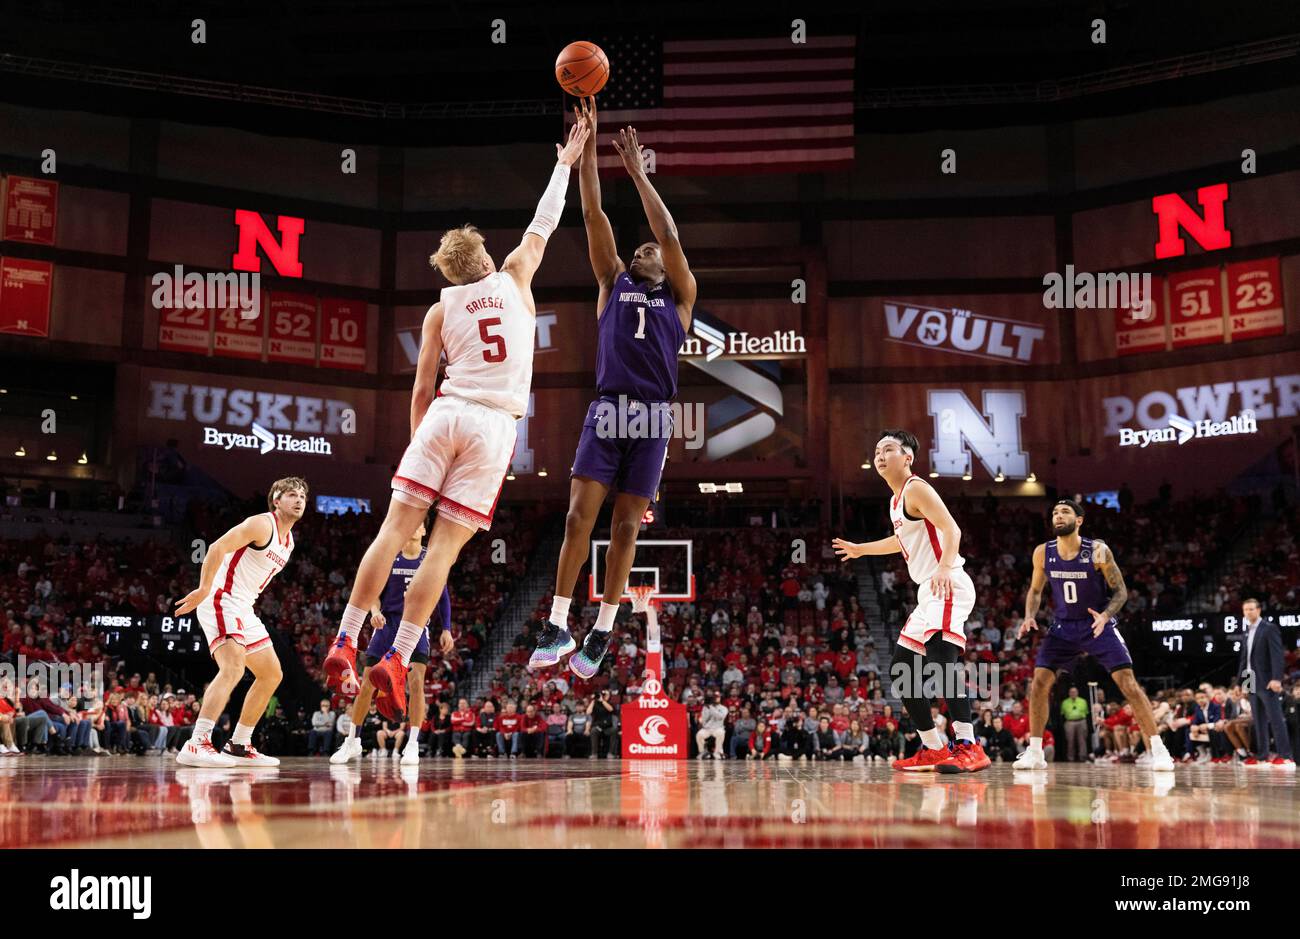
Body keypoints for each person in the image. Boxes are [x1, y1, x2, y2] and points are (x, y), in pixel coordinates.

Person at [323, 117, 591, 721]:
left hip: (444, 414)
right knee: (440, 552)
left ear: (447, 273)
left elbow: (420, 389)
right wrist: (566, 162)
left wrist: (422, 441)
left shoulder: (440, 309)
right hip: (493, 426)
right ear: (488, 257)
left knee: (393, 535)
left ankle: (344, 638)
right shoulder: (516, 275)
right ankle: (393, 657)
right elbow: (544, 222)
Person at [529, 96, 697, 679]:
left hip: (652, 419)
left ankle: (601, 631)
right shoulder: (611, 279)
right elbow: (593, 215)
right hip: (608, 410)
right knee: (579, 518)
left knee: (626, 526)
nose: (646, 248)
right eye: (641, 248)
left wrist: (639, 173)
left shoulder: (679, 300)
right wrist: (588, 149)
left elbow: (669, 233)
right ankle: (556, 624)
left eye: (651, 250)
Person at [833, 429, 989, 774]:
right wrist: (862, 549)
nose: (879, 454)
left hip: (947, 582)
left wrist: (946, 567)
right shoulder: (896, 500)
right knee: (902, 672)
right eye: (876, 450)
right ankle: (934, 748)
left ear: (907, 458)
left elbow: (953, 530)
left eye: (888, 449)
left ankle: (968, 744)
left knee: (940, 664)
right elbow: (900, 540)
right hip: (928, 592)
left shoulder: (917, 487)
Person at [1014, 500, 1174, 772]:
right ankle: (1035, 752)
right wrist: (1029, 615)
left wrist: (1106, 615)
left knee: (1128, 684)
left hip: (1097, 624)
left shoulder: (1098, 551)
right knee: (1039, 682)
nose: (1058, 516)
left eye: (1065, 512)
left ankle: (1159, 750)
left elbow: (1121, 591)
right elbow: (1036, 590)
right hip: (1063, 627)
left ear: (1079, 521)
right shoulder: (1043, 553)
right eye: (1054, 512)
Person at [173, 476, 306, 766]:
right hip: (221, 598)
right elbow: (216, 548)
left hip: (244, 608)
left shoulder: (289, 541)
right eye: (292, 495)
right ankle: (197, 742)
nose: (299, 500)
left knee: (272, 674)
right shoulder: (261, 524)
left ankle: (239, 744)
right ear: (276, 500)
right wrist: (205, 588)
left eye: (303, 497)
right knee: (232, 668)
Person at [331, 520, 449, 767]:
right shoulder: (390, 556)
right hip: (387, 626)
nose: (413, 526)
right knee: (367, 685)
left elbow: (443, 595)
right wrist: (374, 610)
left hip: (416, 626)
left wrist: (446, 628)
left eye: (418, 525)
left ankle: (413, 744)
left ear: (424, 530)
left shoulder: (430, 559)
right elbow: (373, 589)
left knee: (416, 682)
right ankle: (353, 740)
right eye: (411, 523)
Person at [1238, 598, 1295, 768]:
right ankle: (1263, 756)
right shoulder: (1247, 631)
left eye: (1251, 609)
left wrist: (1277, 678)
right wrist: (1241, 683)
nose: (1248, 612)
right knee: (1258, 720)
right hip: (1251, 679)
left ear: (1259, 610)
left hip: (1267, 681)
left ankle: (1286, 756)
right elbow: (1245, 660)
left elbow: (1277, 655)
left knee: (1275, 718)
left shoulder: (1269, 629)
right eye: (1245, 610)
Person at [1060, 686, 1089, 762]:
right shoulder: (1065, 702)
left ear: (1077, 693)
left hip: (1081, 721)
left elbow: (1086, 712)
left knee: (1082, 740)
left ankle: (1083, 757)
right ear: (1069, 693)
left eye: (1074, 692)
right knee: (1070, 741)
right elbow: (1062, 713)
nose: (1073, 693)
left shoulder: (1083, 701)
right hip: (1070, 722)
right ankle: (1070, 758)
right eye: (1071, 692)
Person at [696, 691, 728, 759]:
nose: (716, 699)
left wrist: (711, 707)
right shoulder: (706, 707)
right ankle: (703, 752)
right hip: (707, 728)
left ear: (720, 698)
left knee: (721, 733)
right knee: (699, 735)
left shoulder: (724, 708)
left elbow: (720, 717)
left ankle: (717, 752)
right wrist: (707, 707)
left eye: (718, 697)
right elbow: (704, 719)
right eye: (715, 697)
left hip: (718, 728)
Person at [589, 688, 616, 758]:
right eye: (603, 695)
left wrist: (603, 701)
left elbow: (611, 709)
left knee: (614, 730)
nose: (604, 696)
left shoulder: (610, 703)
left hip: (607, 728)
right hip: (598, 727)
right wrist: (593, 700)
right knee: (593, 731)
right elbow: (588, 712)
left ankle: (611, 753)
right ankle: (594, 753)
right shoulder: (595, 704)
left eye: (606, 695)